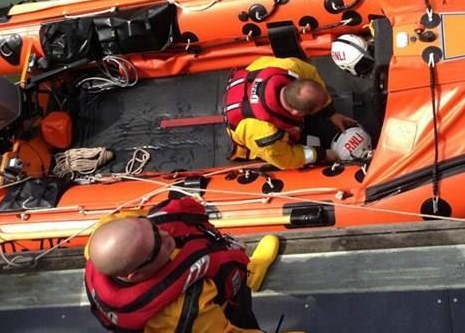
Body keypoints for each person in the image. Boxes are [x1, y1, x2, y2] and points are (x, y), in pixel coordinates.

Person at [85, 196, 276, 332]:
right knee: (242, 315)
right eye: (157, 244)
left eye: (153, 228)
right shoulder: (182, 313)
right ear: (133, 275)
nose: (166, 234)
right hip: (222, 308)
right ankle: (250, 278)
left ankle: (249, 270)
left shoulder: (106, 241)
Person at [223, 56, 358, 170]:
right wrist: (322, 154)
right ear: (297, 113)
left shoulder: (291, 67)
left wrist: (331, 113)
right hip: (248, 127)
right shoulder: (265, 134)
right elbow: (287, 160)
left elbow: (312, 77)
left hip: (247, 84)